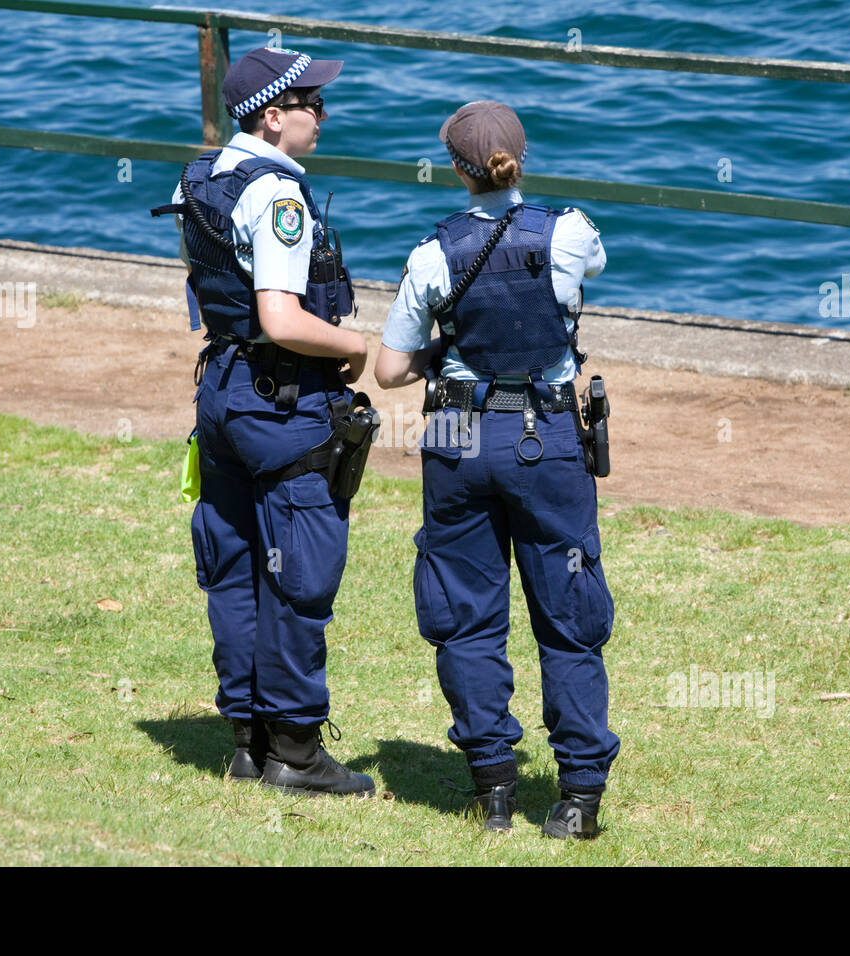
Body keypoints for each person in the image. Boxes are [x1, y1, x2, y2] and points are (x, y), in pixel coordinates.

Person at [374, 101, 619, 837]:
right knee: (568, 615)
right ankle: (576, 800)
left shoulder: (431, 253)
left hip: (455, 431)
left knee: (464, 616)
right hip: (545, 431)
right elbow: (585, 278)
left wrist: (436, 355)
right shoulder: (570, 233)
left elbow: (388, 371)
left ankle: (494, 792)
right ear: (521, 158)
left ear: (458, 169)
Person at [156, 47, 373, 797]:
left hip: (219, 388)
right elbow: (281, 318)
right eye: (314, 103)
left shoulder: (204, 174)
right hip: (278, 399)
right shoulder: (278, 194)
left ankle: (247, 742)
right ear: (275, 116)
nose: (324, 114)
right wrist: (353, 345)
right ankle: (298, 754)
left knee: (236, 568)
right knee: (298, 572)